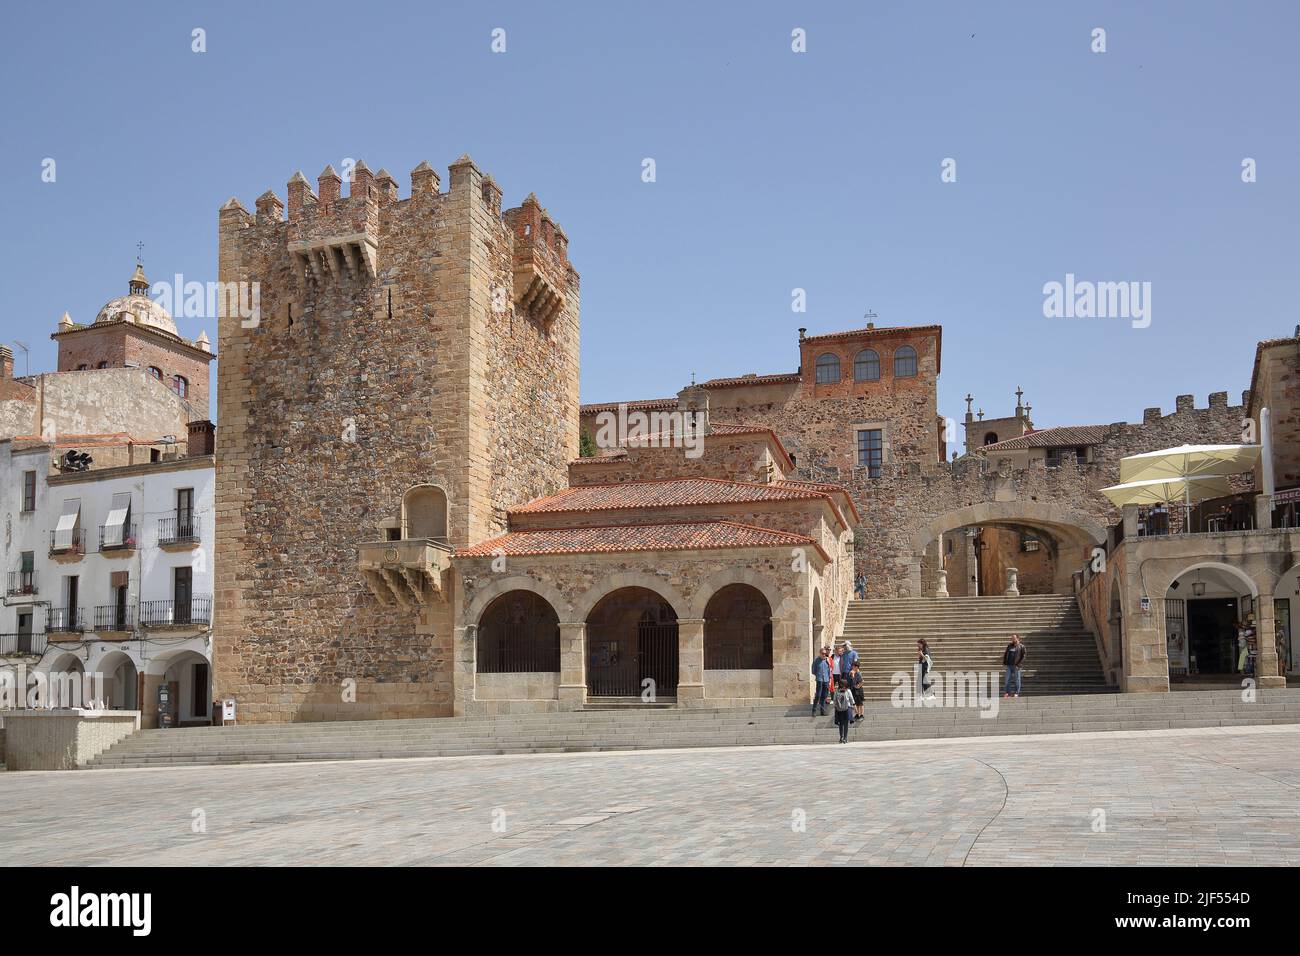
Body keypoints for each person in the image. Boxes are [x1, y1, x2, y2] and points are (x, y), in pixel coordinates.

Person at [1003, 633, 1026, 698]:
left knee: (1017, 679)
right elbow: (1006, 654)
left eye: (1014, 638)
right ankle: (1008, 693)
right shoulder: (1009, 646)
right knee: (1007, 679)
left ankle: (1016, 693)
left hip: (1016, 666)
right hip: (1009, 665)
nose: (1012, 639)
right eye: (1012, 638)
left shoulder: (1022, 646)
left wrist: (1019, 664)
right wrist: (1005, 663)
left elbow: (1023, 657)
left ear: (1018, 638)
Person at [832, 677, 854, 743]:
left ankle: (841, 737)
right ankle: (845, 738)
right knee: (845, 724)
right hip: (847, 709)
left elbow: (834, 700)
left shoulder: (837, 691)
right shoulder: (848, 691)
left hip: (839, 709)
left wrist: (836, 706)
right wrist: (853, 706)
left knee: (841, 724)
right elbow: (851, 699)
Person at [810, 647, 831, 716]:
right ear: (820, 653)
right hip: (819, 679)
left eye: (825, 653)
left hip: (826, 680)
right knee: (818, 695)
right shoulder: (816, 661)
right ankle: (814, 710)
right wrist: (818, 675)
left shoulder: (827, 661)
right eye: (823, 653)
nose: (824, 655)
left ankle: (823, 711)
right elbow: (813, 670)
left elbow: (829, 670)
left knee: (824, 696)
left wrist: (829, 678)